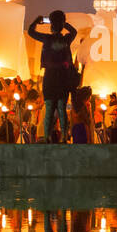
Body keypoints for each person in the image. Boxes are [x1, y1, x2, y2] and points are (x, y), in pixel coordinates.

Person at [27, 11, 78, 143]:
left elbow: (31, 32)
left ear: (51, 25)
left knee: (49, 107)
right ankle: (63, 137)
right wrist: (63, 23)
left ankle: (47, 136)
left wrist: (36, 21)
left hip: (50, 76)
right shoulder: (66, 39)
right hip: (63, 76)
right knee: (61, 107)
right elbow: (74, 31)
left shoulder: (47, 38)